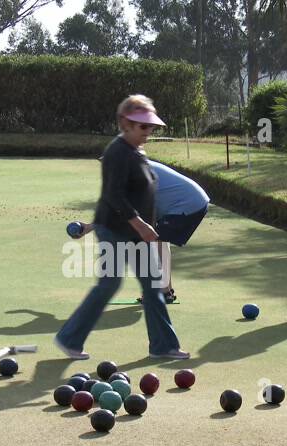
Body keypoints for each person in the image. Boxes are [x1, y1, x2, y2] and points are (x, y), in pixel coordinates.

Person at [55, 95, 189, 361]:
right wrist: (140, 224)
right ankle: (69, 338)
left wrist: (145, 227)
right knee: (109, 284)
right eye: (142, 127)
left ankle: (163, 346)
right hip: (115, 230)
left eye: (150, 126)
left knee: (153, 285)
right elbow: (114, 196)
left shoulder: (136, 151)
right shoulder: (116, 153)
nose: (148, 131)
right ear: (125, 123)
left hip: (137, 234)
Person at [74, 159, 210, 303]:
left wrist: (89, 228)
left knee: (152, 241)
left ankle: (159, 292)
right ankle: (165, 290)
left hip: (187, 204)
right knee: (159, 241)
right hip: (190, 201)